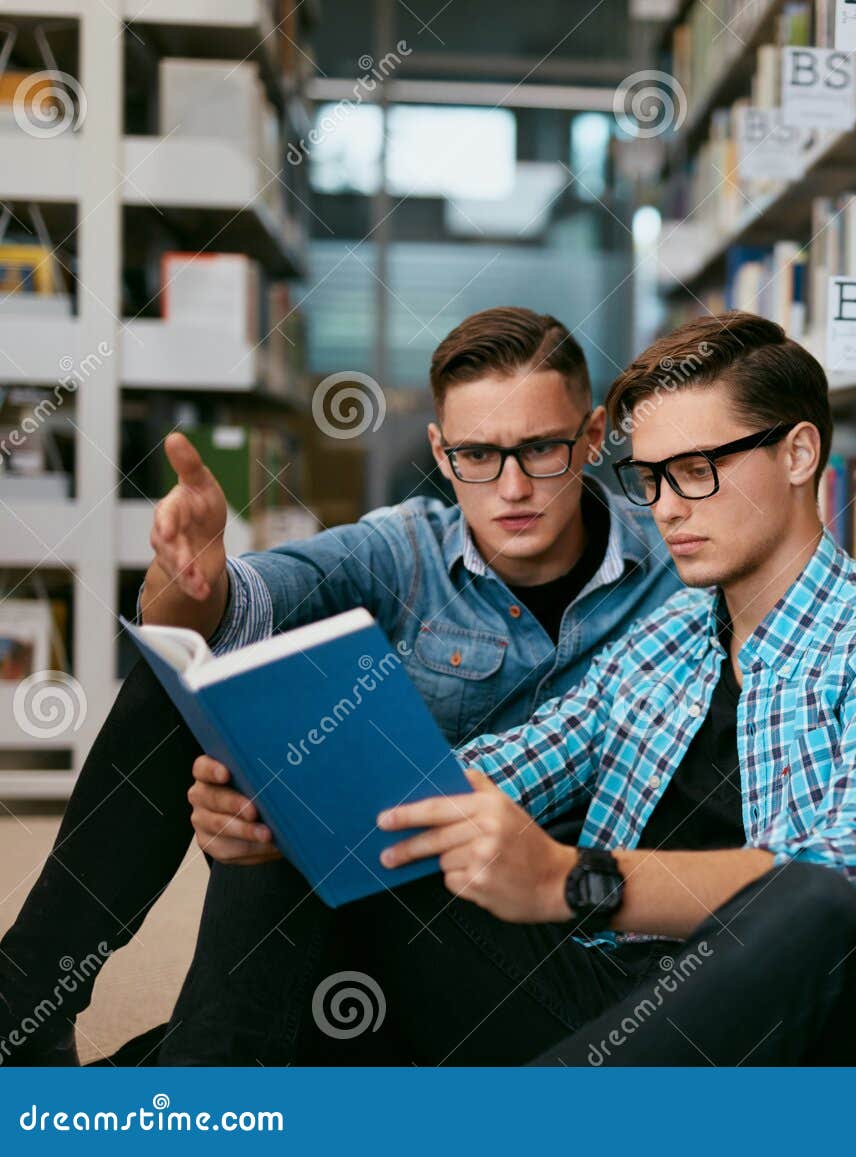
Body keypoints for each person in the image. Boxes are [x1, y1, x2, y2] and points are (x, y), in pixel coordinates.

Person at [158, 311, 856, 1067]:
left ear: (799, 454)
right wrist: (288, 805)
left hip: (768, 1041)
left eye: (696, 470)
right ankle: (197, 1111)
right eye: (650, 477)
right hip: (599, 1006)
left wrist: (571, 879)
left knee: (814, 906)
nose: (666, 508)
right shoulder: (666, 638)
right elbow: (499, 765)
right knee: (337, 838)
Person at [0, 308, 681, 1065]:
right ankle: (23, 1005)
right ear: (440, 450)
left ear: (590, 437)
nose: (511, 486)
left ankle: (191, 1078)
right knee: (200, 691)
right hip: (382, 898)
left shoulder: (679, 563)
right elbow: (231, 609)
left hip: (544, 929)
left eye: (541, 450)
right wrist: (186, 575)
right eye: (477, 455)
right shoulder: (404, 546)